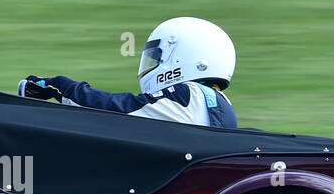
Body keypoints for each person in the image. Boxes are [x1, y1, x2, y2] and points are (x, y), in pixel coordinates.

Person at [18, 17, 238, 127]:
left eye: (157, 57)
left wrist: (60, 86)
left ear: (185, 56)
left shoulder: (189, 97)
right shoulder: (218, 104)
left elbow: (119, 110)